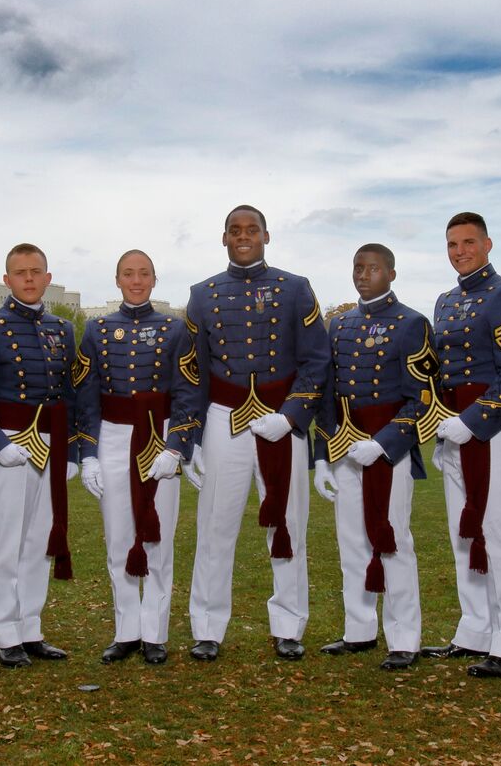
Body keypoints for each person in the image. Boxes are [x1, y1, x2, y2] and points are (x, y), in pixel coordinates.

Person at [184, 205, 329, 661]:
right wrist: (190, 438)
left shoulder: (295, 288)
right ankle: (207, 626)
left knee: (288, 526)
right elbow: (192, 372)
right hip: (223, 419)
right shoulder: (202, 294)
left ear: (267, 235)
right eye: (234, 230)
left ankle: (289, 624)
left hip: (281, 422)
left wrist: (290, 417)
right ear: (223, 238)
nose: (243, 236)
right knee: (214, 527)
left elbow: (317, 360)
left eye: (251, 230)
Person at [422, 212, 501, 679]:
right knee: (464, 534)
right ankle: (475, 629)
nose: (459, 251)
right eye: (452, 243)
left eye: (468, 242)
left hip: (492, 432)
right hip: (454, 428)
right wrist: (442, 422)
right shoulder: (446, 300)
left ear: (488, 244)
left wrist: (472, 421)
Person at [0, 243, 82, 667]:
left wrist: (73, 450)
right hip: (9, 442)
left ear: (48, 278)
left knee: (39, 541)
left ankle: (29, 626)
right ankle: (3, 630)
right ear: (6, 280)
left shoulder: (62, 329)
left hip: (51, 444)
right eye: (20, 272)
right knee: (5, 541)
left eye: (36, 271)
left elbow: (70, 394)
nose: (29, 279)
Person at [75, 250, 200, 666]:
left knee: (158, 538)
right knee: (118, 538)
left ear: (154, 278)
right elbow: (86, 398)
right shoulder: (96, 330)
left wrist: (178, 446)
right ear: (116, 280)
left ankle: (155, 633)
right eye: (128, 274)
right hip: (112, 435)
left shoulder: (175, 329)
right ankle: (126, 630)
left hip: (158, 436)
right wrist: (88, 454)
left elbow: (188, 392)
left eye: (143, 273)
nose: (136, 280)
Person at [313, 244, 433, 671]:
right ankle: (359, 629)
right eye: (358, 268)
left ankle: (404, 638)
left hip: (389, 447)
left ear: (392, 274)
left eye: (374, 269)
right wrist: (323, 454)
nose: (364, 275)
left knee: (393, 539)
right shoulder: (338, 325)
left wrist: (384, 443)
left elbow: (422, 396)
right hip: (346, 444)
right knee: (351, 542)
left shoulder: (413, 323)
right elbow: (326, 394)